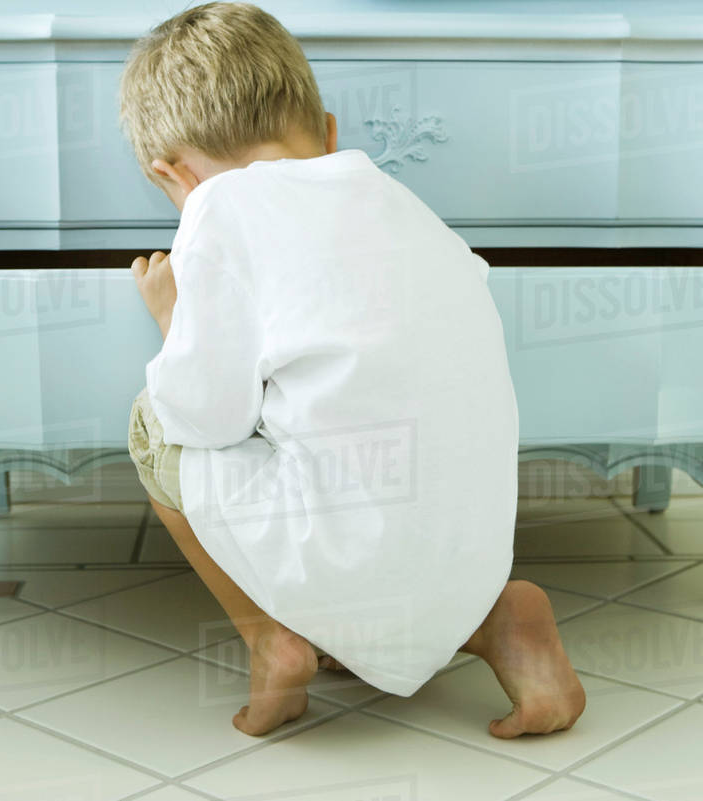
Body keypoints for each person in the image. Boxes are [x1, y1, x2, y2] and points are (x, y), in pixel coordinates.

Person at [120, 1, 586, 738]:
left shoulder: (218, 207)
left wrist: (174, 320)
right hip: (470, 552)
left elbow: (206, 415)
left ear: (173, 173)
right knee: (333, 443)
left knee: (153, 424)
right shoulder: (404, 205)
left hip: (350, 553)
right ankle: (497, 622)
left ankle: (272, 639)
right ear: (330, 133)